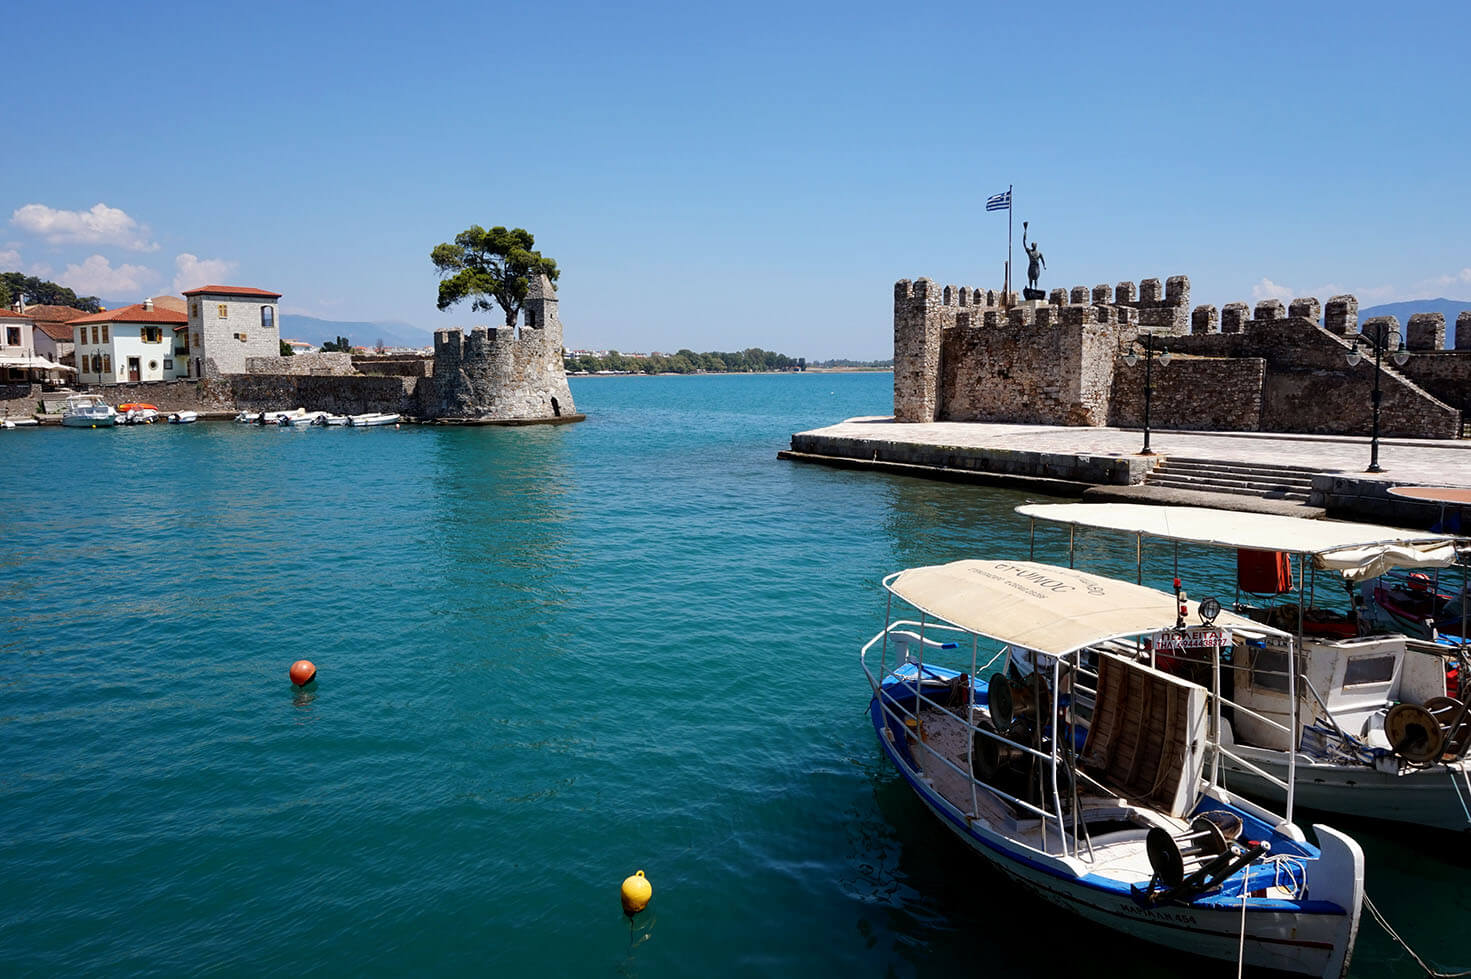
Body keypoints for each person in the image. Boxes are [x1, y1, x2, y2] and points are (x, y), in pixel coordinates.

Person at [1023, 221, 1046, 291]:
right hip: (1031, 266)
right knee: (1030, 277)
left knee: (1036, 277)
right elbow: (1024, 243)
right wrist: (1025, 232)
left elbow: (1042, 259)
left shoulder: (1039, 253)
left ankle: (1035, 288)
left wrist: (1044, 265)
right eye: (1033, 245)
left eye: (1034, 245)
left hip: (1036, 266)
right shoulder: (1030, 252)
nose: (1034, 246)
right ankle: (1030, 288)